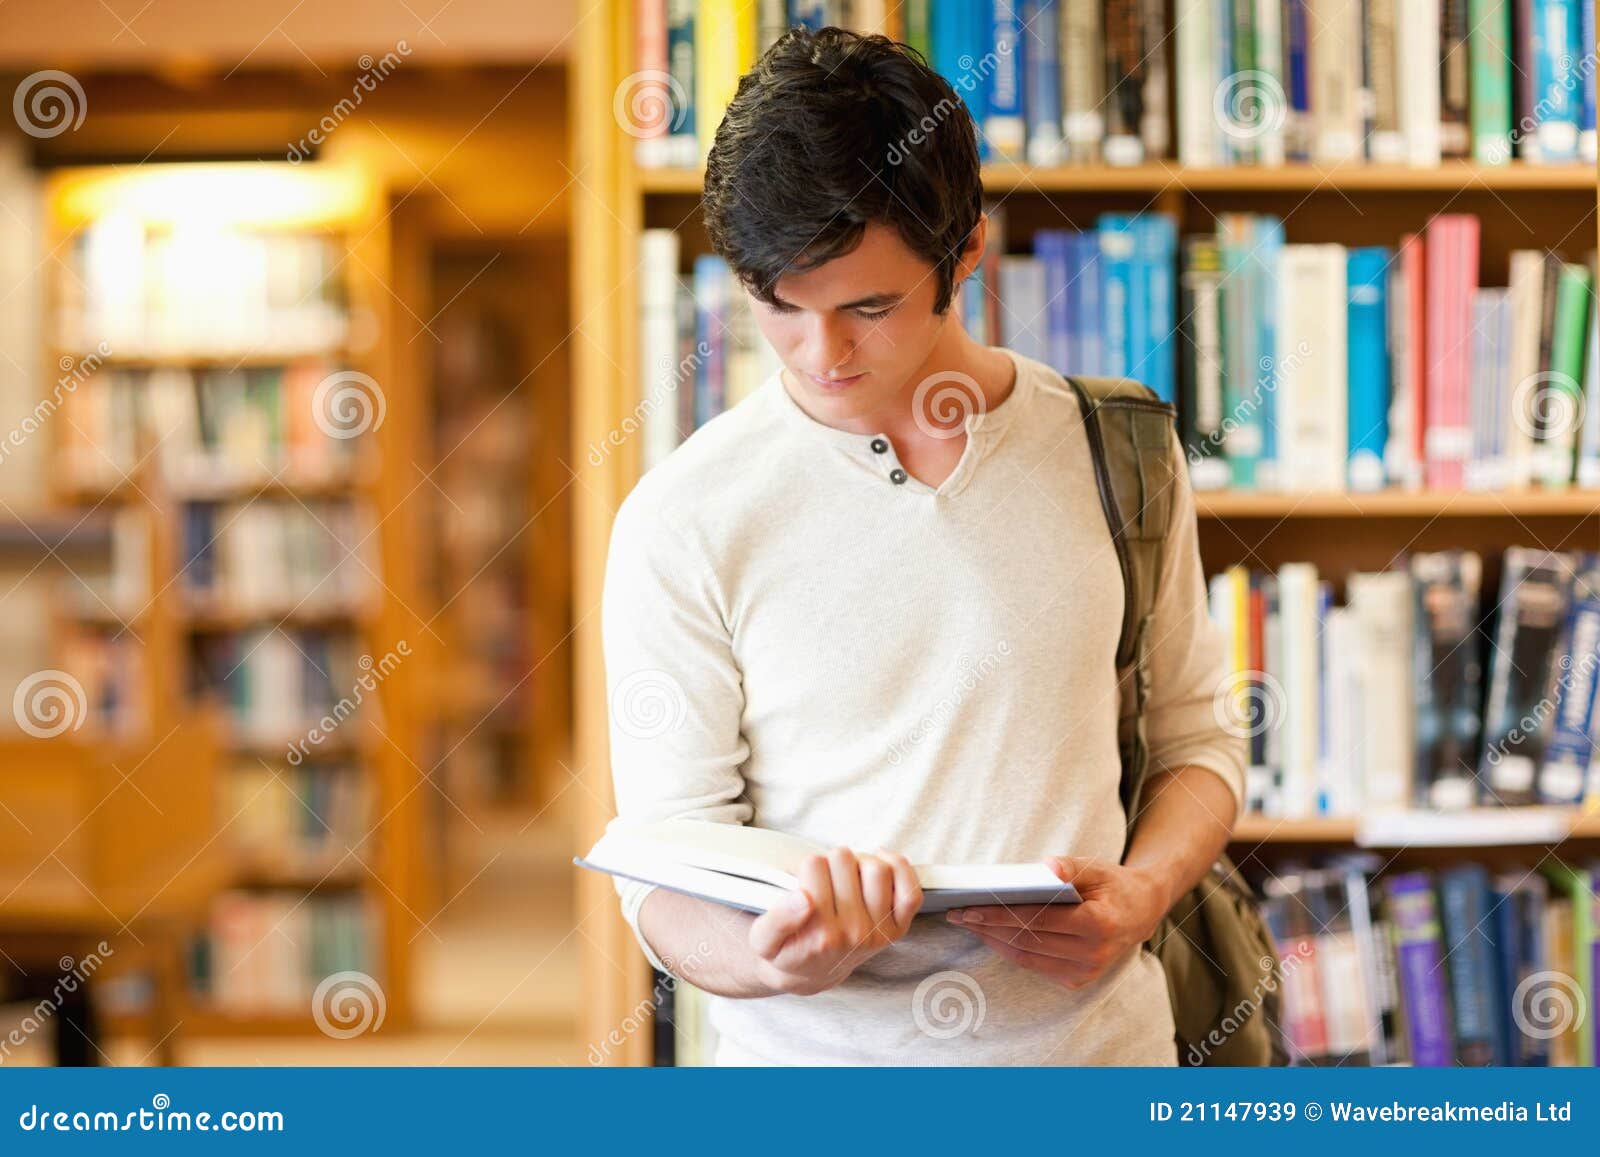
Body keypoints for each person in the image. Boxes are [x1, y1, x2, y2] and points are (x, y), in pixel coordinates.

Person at [601, 26, 1245, 1065]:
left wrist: (1144, 893)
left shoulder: (1116, 450)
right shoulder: (682, 516)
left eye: (870, 305)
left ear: (968, 251)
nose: (822, 354)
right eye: (779, 306)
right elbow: (661, 875)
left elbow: (1198, 742)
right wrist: (773, 957)